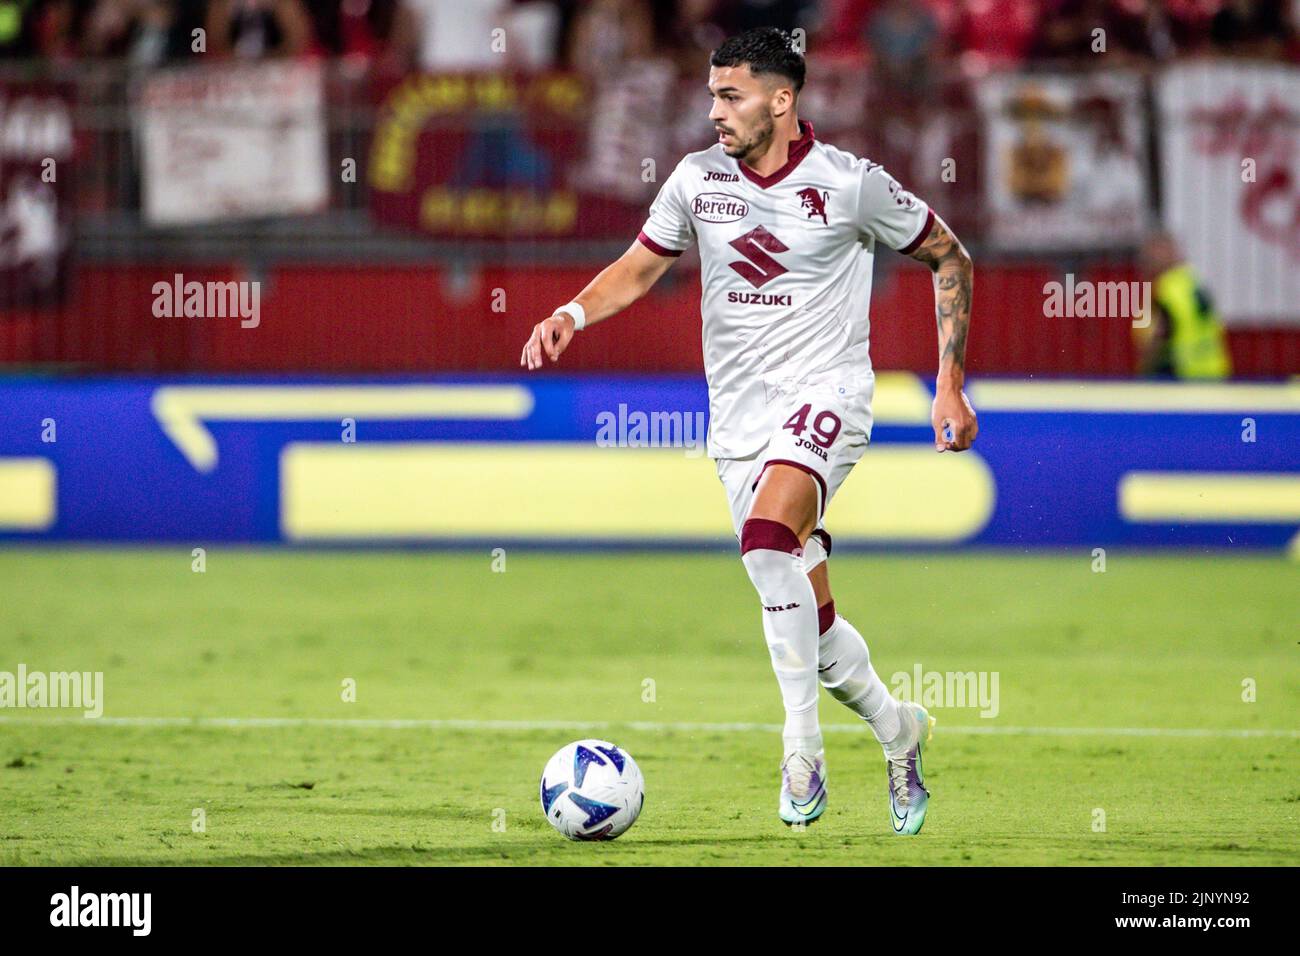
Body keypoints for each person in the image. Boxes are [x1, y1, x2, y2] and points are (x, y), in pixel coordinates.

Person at [519, 27, 977, 832]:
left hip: (829, 394)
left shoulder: (850, 184)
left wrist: (948, 383)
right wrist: (571, 312)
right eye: (712, 95)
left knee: (767, 542)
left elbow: (951, 257)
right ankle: (898, 727)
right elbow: (639, 265)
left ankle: (801, 751)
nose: (715, 111)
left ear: (781, 99)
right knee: (812, 625)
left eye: (730, 96)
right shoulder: (697, 180)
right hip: (737, 422)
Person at [1136, 231, 1232, 379]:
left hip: (1182, 372)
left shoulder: (1168, 287)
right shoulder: (1192, 279)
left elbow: (1159, 335)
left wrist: (1146, 369)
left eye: (1151, 255)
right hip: (1212, 367)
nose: (1147, 261)